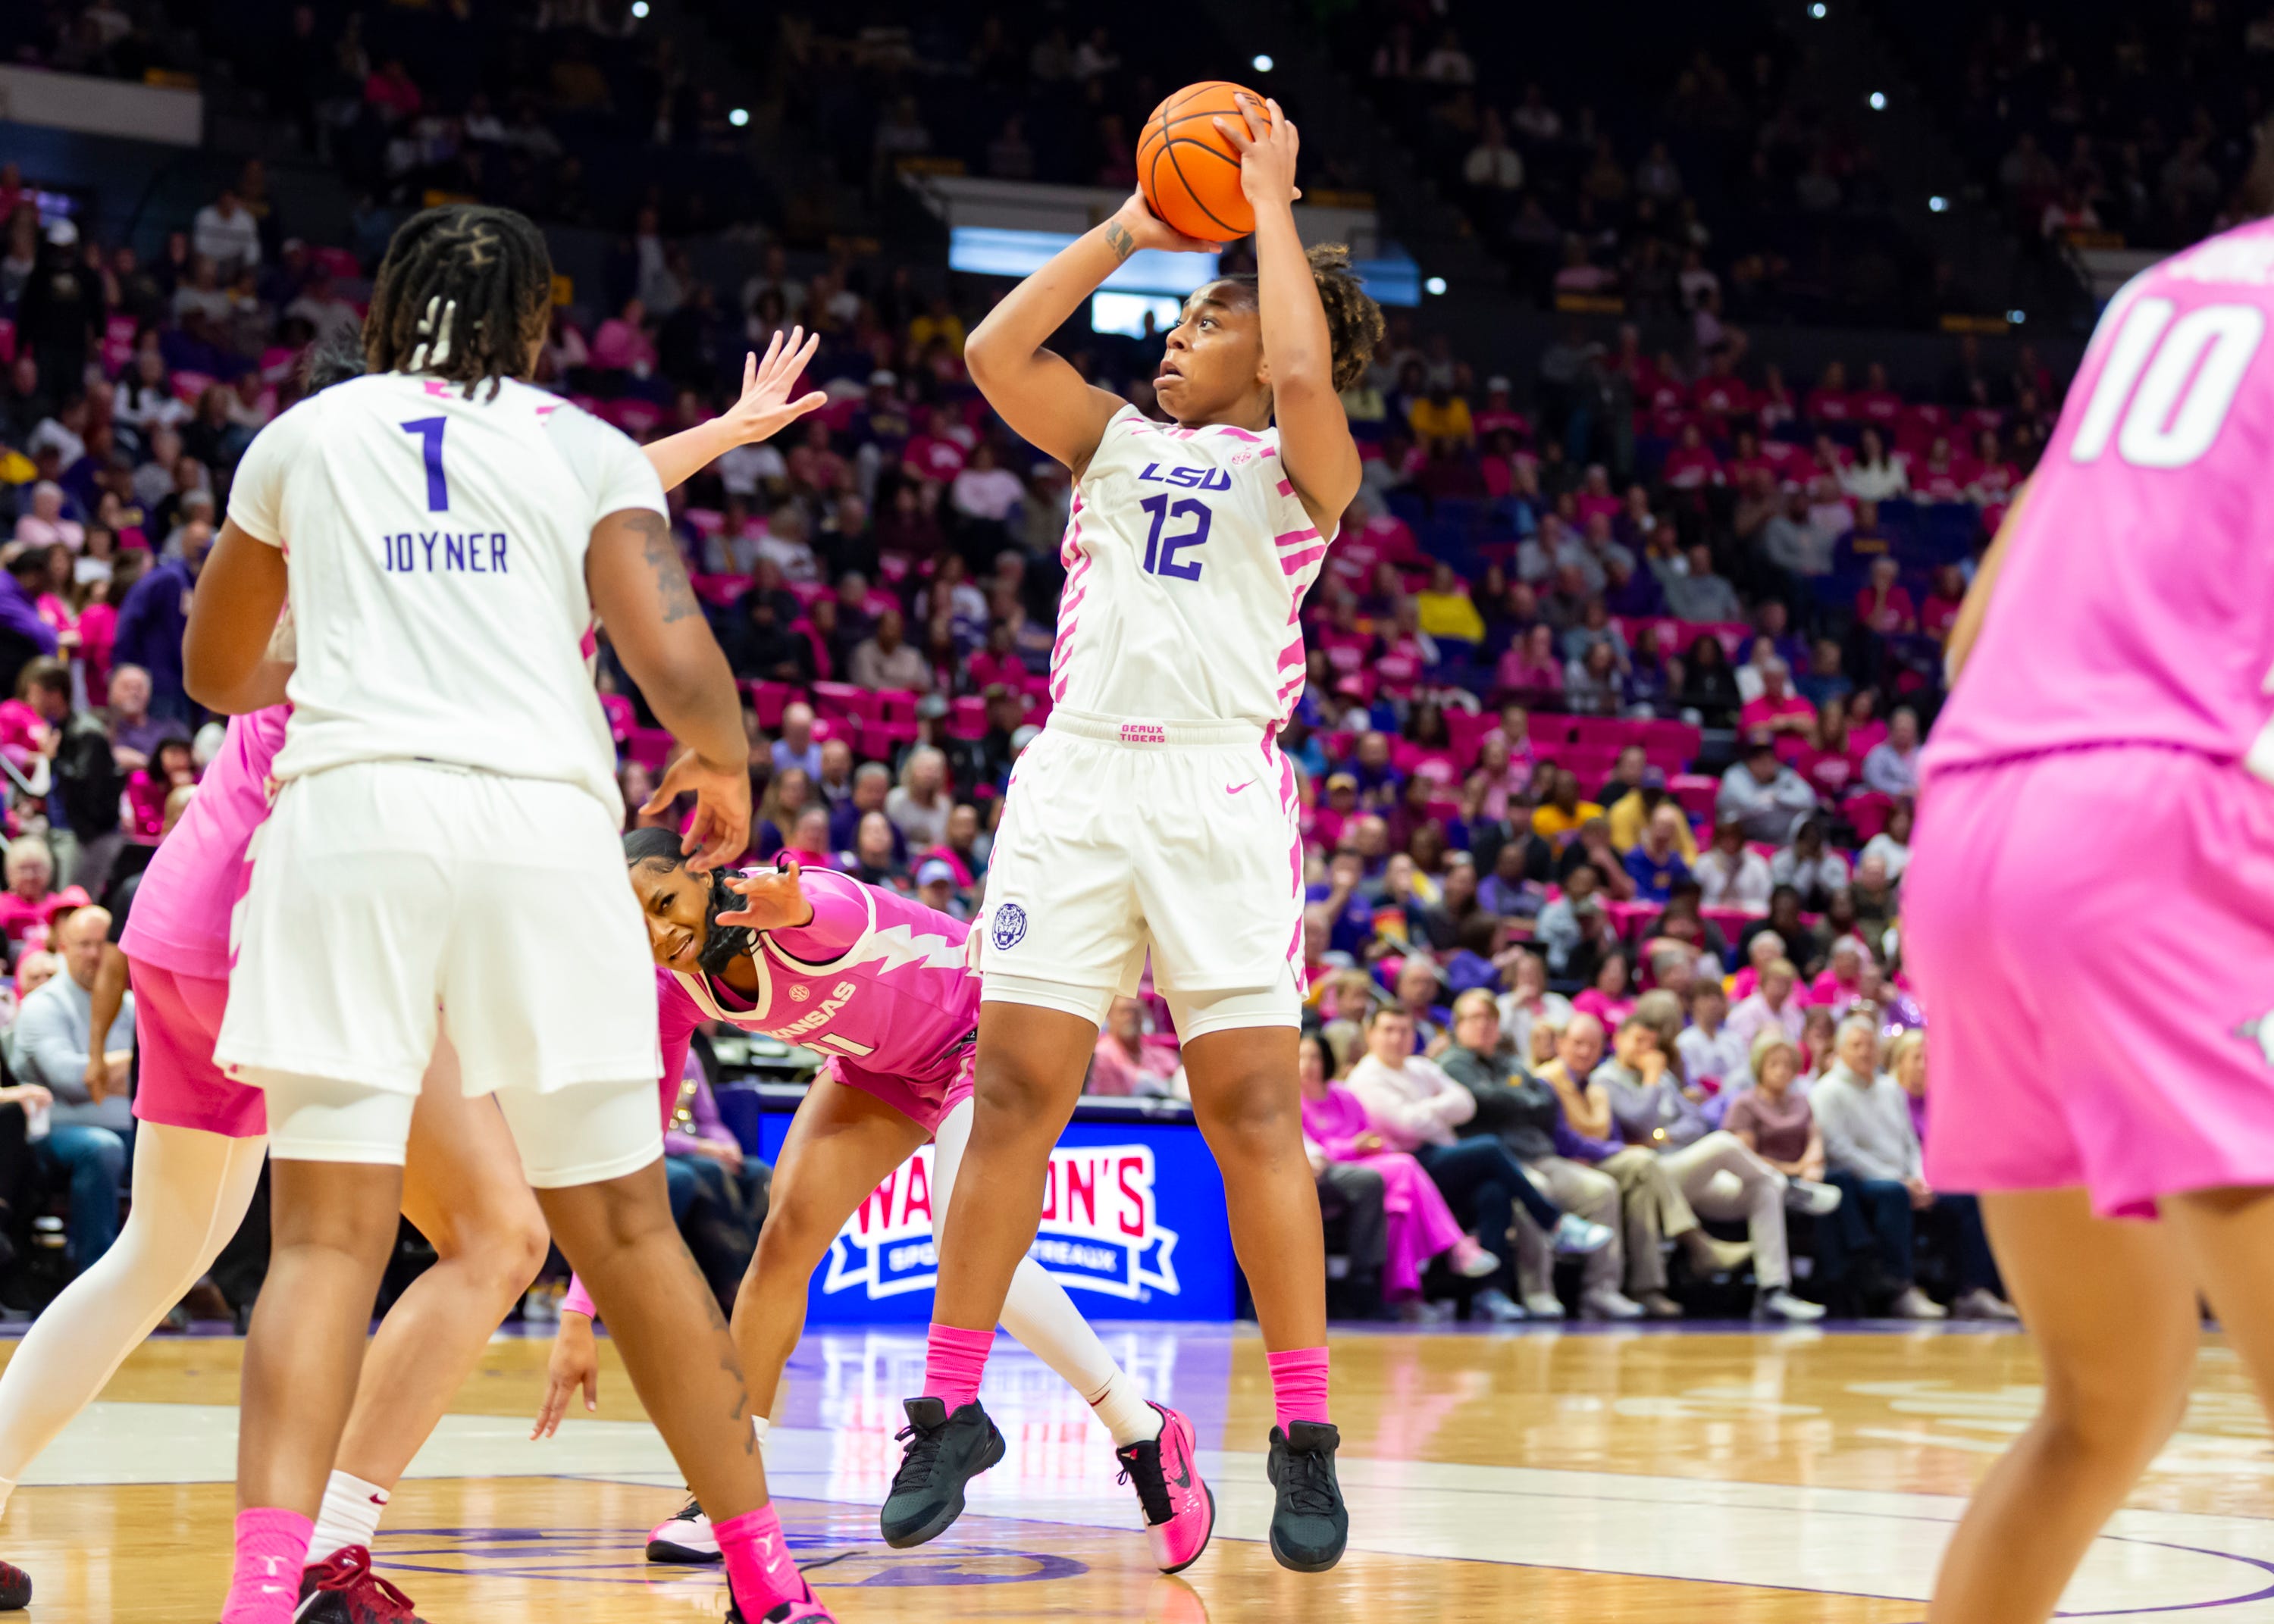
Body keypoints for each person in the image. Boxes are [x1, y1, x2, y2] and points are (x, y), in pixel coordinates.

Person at [181, 205, 835, 1624]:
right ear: (534, 324)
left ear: (385, 311)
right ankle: (770, 1584)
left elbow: (219, 672)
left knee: (324, 1245)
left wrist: (352, 628)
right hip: (541, 832)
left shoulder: (300, 438)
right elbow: (677, 659)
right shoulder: (584, 446)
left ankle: (257, 1597)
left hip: (351, 824)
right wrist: (722, 759)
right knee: (631, 1234)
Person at [903, 95, 1382, 1571]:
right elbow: (996, 353)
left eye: (1207, 319)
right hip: (1079, 780)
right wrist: (1131, 224)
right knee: (1011, 1092)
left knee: (1252, 1111)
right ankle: (950, 1405)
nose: (1176, 337)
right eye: (1177, 319)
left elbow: (1300, 364)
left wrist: (1272, 204)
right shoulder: (1110, 440)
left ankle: (1302, 1431)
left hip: (1216, 790)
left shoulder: (1307, 471)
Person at [540, 843, 1210, 1575]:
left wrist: (798, 909)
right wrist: (579, 1309)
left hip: (988, 1033)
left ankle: (1141, 1428)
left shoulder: (797, 903)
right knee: (783, 1239)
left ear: (703, 874)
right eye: (637, 923)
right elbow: (636, 1143)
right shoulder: (676, 987)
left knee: (972, 1247)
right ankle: (728, 1490)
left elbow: (823, 910)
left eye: (666, 903)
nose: (661, 932)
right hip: (882, 1066)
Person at [1344, 1003, 1612, 1322]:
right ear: (1370, 1034)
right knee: (1488, 1148)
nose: (1397, 1038)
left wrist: (1428, 1113)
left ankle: (1490, 1293)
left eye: (1404, 1030)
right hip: (1406, 1167)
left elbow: (1465, 1103)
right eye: (1388, 1030)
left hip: (1436, 1154)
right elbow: (1409, 1123)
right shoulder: (1367, 1077)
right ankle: (1554, 1223)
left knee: (1493, 1190)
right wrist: (1438, 1112)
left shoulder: (1419, 1067)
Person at [1593, 1015, 1831, 1321]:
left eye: (1651, 1044)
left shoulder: (1664, 1079)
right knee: (1723, 1143)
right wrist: (1651, 1080)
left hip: (1685, 1171)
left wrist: (1662, 1135)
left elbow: (1696, 1122)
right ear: (1617, 1040)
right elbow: (1639, 1121)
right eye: (1638, 1041)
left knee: (1763, 1188)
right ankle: (1790, 1188)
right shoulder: (1607, 1080)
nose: (1646, 1050)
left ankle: (1773, 1291)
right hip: (1652, 1172)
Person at [1436, 991, 1630, 1318]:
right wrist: (1515, 1098)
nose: (1483, 1025)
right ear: (1458, 1025)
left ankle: (1602, 1289)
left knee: (1603, 1190)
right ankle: (1538, 1292)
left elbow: (1545, 1102)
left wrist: (1509, 1099)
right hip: (1503, 1163)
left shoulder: (1510, 1062)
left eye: (1490, 1018)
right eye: (1474, 1018)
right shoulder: (1452, 1064)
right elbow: (1484, 1101)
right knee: (1535, 1188)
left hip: (1540, 1153)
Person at [1536, 1013, 1739, 1316]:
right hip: (1563, 1164)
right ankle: (1696, 1244)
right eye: (1577, 1043)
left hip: (1598, 1161)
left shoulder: (1594, 1088)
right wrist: (1622, 1147)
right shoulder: (1549, 1080)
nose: (1585, 1052)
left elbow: (1693, 1122)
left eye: (1592, 1045)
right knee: (1639, 1164)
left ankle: (1644, 1289)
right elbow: (1565, 1141)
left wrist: (1634, 1143)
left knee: (1642, 1179)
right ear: (1561, 1044)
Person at [1811, 1016, 2009, 1324]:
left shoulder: (1890, 1089)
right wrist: (1899, 1181)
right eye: (1856, 1045)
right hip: (1865, 1181)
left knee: (1968, 1200)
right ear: (1840, 1051)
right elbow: (1840, 1151)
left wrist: (1921, 1179)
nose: (1865, 1051)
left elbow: (1910, 1143)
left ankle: (1972, 1291)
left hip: (1905, 1179)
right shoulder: (1827, 1091)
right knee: (1894, 1195)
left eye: (1870, 1044)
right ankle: (1900, 1289)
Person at [1297, 1025, 1501, 1316]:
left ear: (1327, 1059)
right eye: (1302, 1057)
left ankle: (1406, 1299)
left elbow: (1368, 1132)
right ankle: (1457, 1247)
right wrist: (1352, 1146)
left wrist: (1374, 1144)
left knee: (1399, 1207)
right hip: (1337, 1173)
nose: (1308, 1065)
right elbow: (1312, 1151)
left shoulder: (1343, 1095)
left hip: (1369, 1165)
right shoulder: (1293, 1101)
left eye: (1315, 1057)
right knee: (1406, 1165)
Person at [12, 906, 136, 1273]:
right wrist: (130, 1065)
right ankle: (94, 1275)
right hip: (55, 1134)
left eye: (103, 944)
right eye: (85, 944)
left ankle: (183, 1279)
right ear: (64, 948)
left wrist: (103, 1070)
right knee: (101, 1148)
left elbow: (158, 1078)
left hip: (129, 1129)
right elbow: (71, 1080)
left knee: (184, 1141)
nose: (95, 954)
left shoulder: (131, 1006)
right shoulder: (43, 1005)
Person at [1717, 735, 1816, 843]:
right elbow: (1748, 804)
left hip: (1781, 839)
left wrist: (1776, 796)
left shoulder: (1785, 774)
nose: (1764, 762)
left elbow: (1809, 800)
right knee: (1730, 820)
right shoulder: (1735, 775)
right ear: (1748, 760)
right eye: (1757, 757)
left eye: (1768, 756)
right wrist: (1778, 803)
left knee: (1803, 817)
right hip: (1744, 839)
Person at [1693, 816, 1772, 911]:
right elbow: (1696, 900)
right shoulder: (1704, 863)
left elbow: (1766, 901)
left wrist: (1743, 906)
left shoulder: (1757, 864)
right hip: (1711, 915)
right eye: (1724, 837)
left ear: (1741, 839)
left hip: (1749, 916)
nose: (1729, 842)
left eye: (1733, 837)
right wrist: (1719, 907)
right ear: (1717, 839)